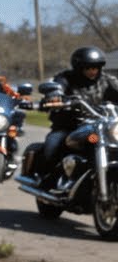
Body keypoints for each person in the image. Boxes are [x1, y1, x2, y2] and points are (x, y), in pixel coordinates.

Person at [37, 46, 118, 181]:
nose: (92, 71)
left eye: (95, 68)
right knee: (52, 146)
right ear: (79, 68)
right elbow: (57, 87)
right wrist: (54, 96)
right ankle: (46, 182)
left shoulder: (107, 80)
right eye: (88, 68)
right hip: (69, 127)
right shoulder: (66, 78)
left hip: (99, 128)